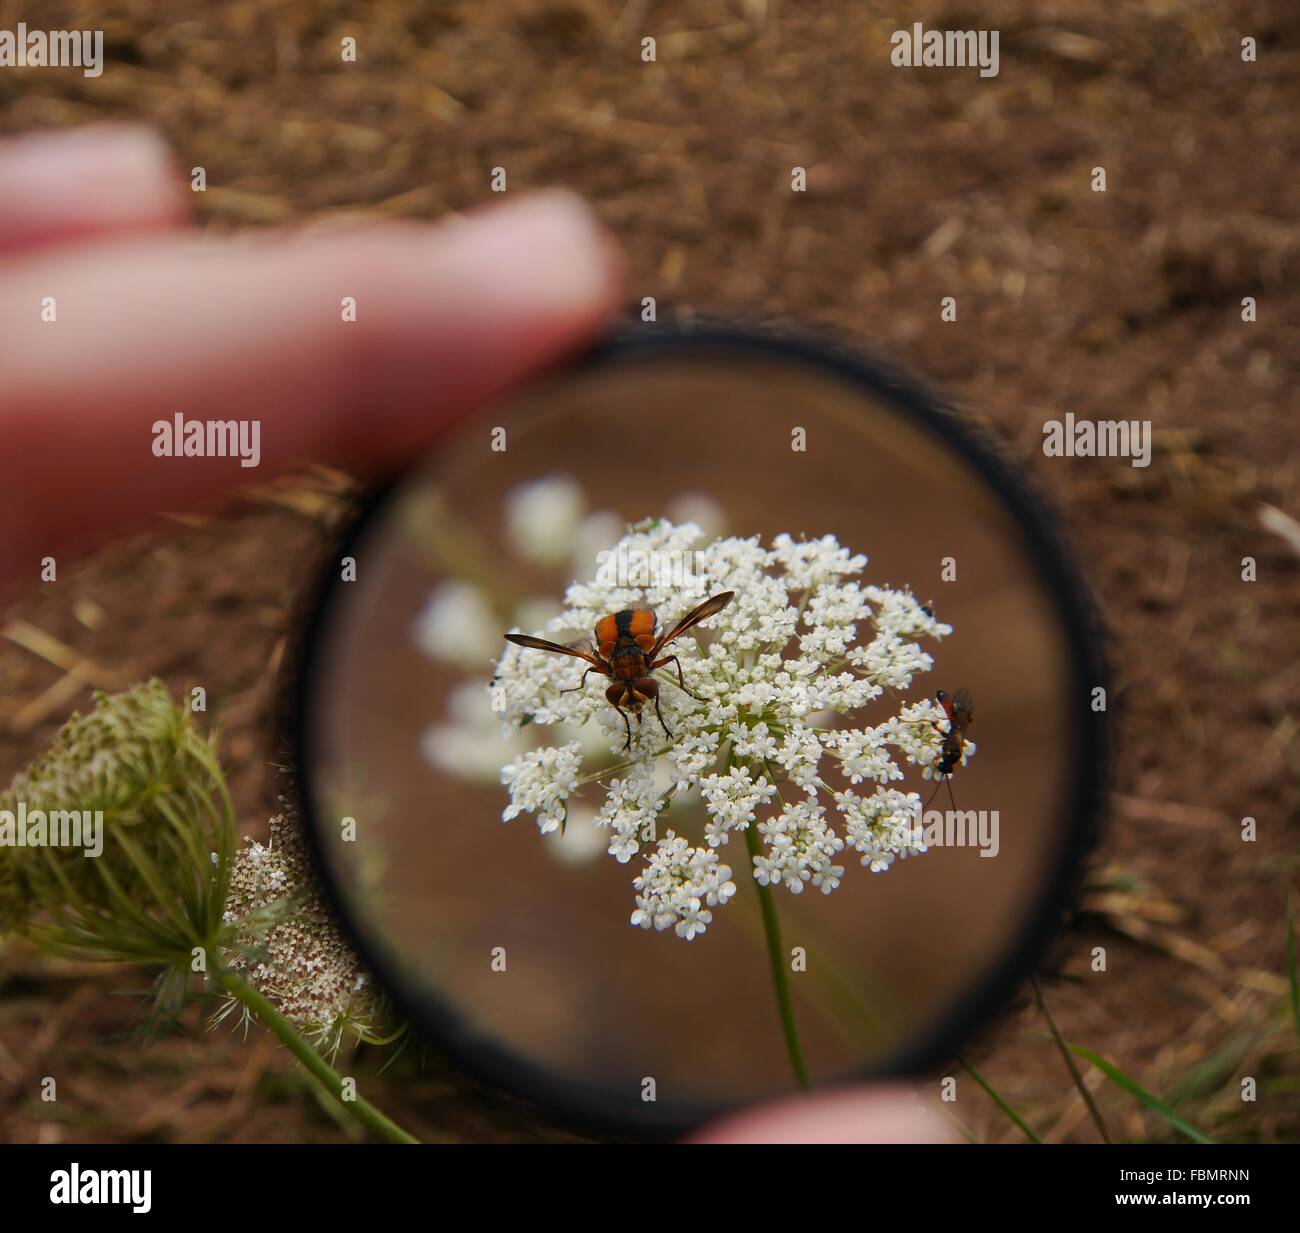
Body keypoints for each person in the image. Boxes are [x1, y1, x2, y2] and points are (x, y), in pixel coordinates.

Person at [0, 125, 950, 1144]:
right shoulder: (622, 672)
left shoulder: (640, 660)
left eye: (632, 689)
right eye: (632, 690)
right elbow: (637, 668)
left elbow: (660, 655)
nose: (636, 692)